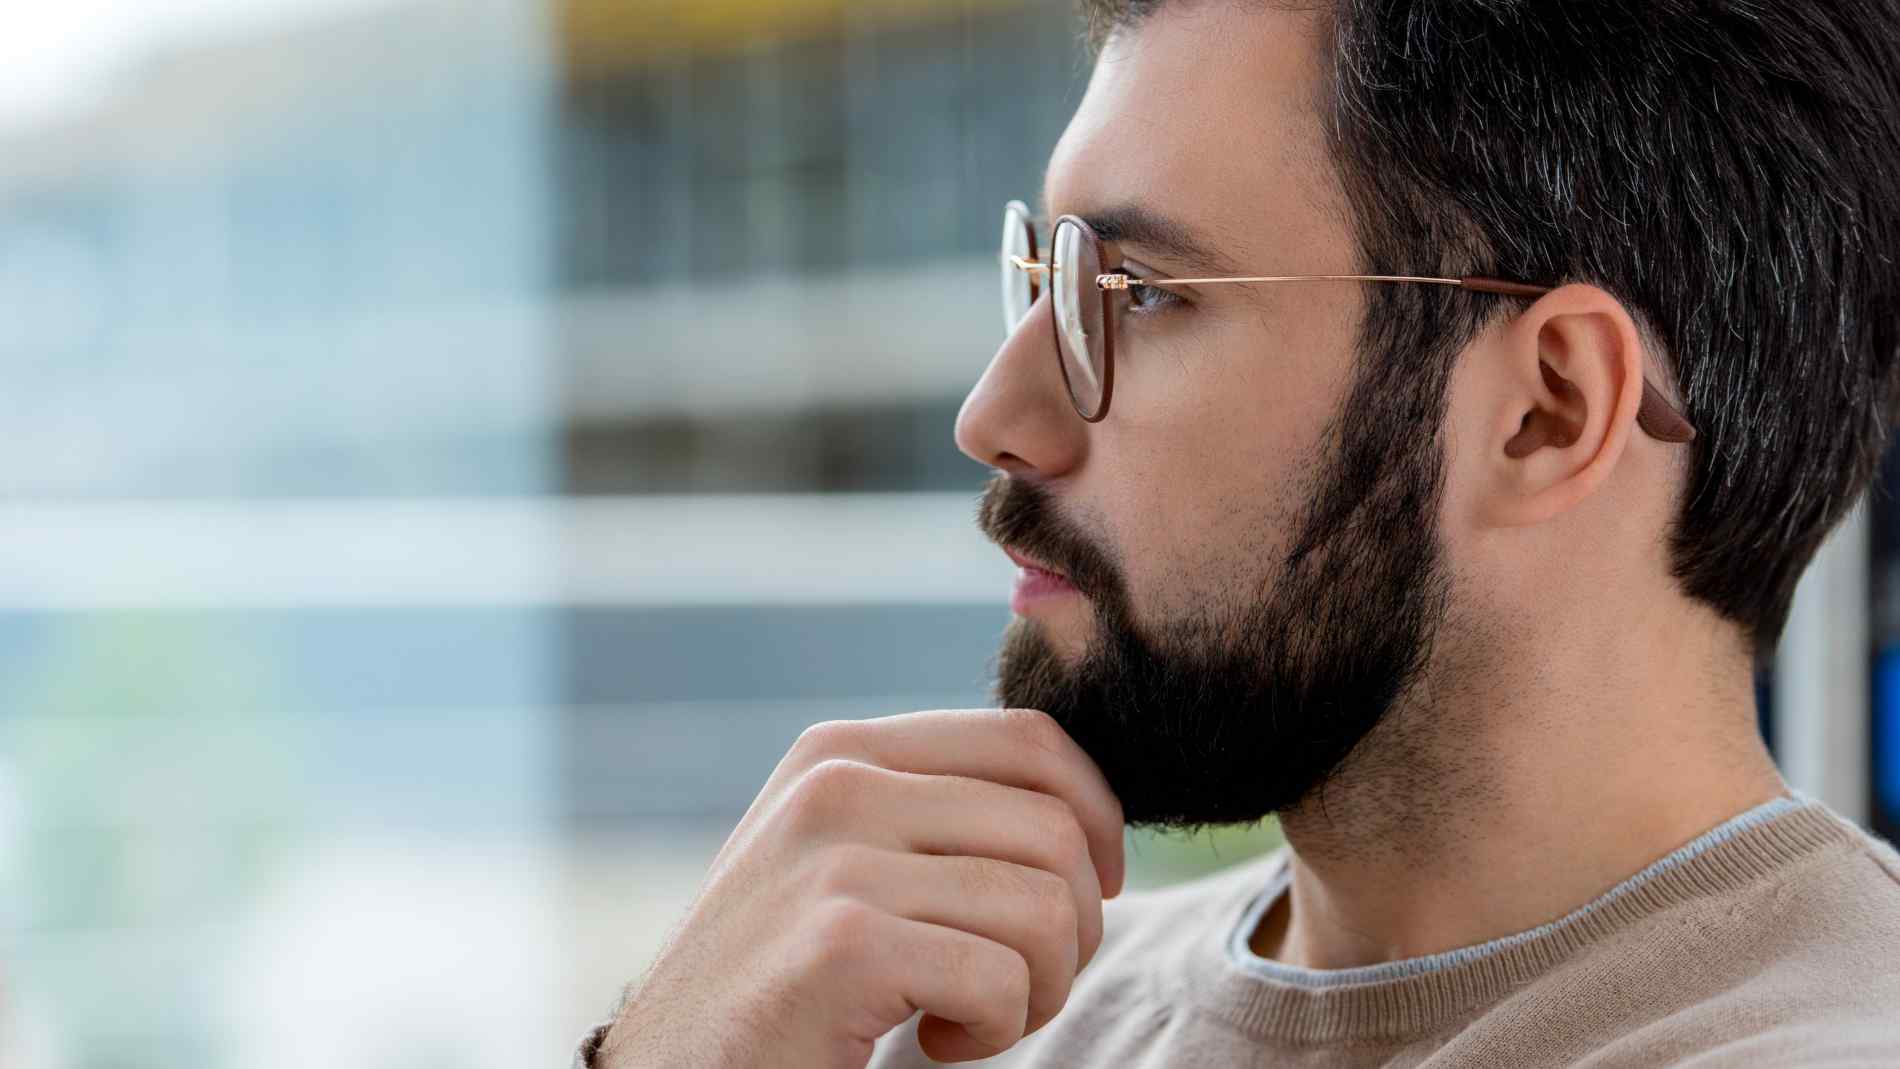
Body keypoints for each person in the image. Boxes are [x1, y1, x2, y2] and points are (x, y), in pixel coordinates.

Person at [580, 1, 1900, 1065]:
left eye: (1139, 294)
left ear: (1545, 413)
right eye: (1046, 279)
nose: (996, 417)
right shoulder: (945, 1017)